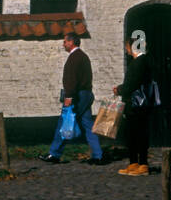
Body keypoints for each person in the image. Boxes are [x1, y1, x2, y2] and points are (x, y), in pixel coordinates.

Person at [40, 31, 106, 164]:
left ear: (71, 42)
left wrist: (69, 96)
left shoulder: (74, 58)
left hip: (77, 95)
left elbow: (71, 79)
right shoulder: (83, 56)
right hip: (86, 93)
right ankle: (98, 155)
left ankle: (54, 154)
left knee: (64, 122)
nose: (63, 44)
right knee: (88, 124)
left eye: (65, 41)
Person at [113, 34, 155, 175]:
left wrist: (120, 89)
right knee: (132, 134)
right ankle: (133, 162)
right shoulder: (139, 62)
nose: (127, 51)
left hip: (138, 104)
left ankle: (142, 164)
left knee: (139, 134)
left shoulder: (140, 62)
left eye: (127, 47)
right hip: (135, 104)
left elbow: (133, 84)